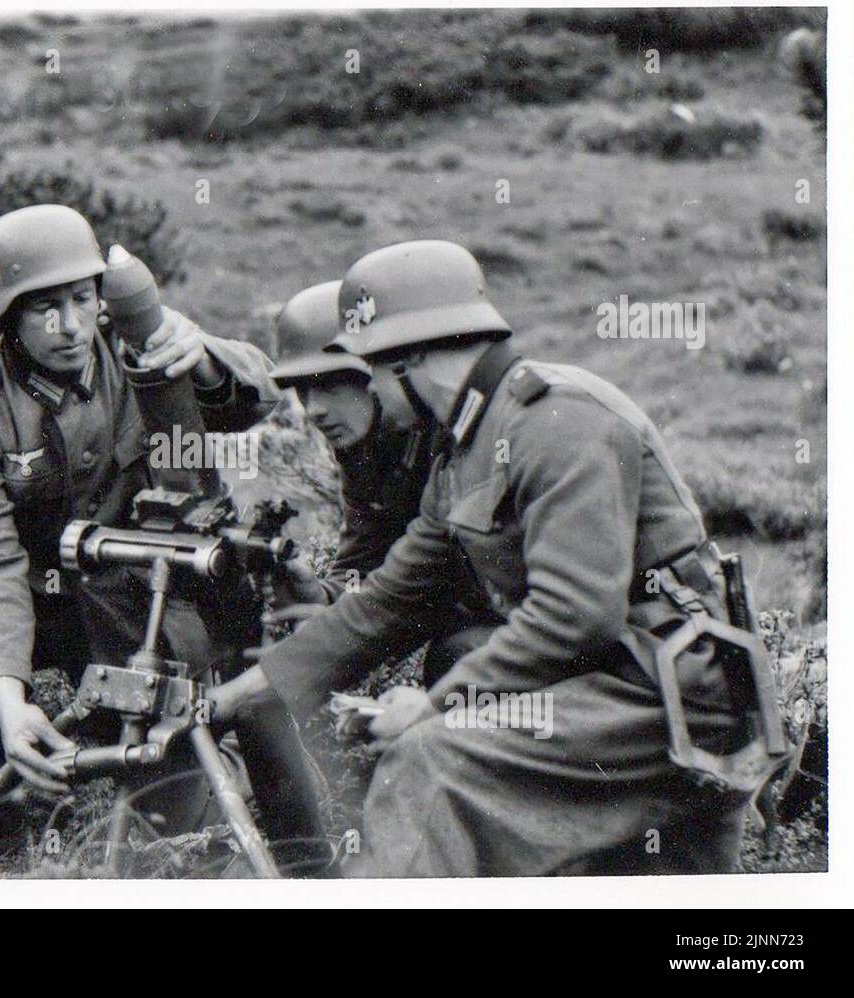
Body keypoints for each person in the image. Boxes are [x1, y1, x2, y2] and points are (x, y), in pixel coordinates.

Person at [210, 239, 758, 876]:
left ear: (407, 359)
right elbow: (392, 597)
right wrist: (258, 687)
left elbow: (575, 615)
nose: (360, 397)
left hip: (666, 691)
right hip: (610, 685)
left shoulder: (556, 420)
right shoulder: (465, 449)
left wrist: (439, 703)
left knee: (428, 762)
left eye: (367, 372)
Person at [0, 204, 325, 864]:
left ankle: (184, 813)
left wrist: (205, 358)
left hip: (152, 593)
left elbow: (258, 391)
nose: (71, 325)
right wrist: (10, 700)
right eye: (45, 307)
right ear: (7, 316)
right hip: (43, 598)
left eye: (82, 298)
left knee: (168, 812)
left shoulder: (140, 344)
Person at [267, 280, 496, 680]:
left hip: (514, 621)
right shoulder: (364, 448)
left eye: (330, 385)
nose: (314, 411)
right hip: (441, 605)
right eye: (302, 392)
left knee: (457, 656)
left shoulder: (451, 435)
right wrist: (323, 596)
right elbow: (367, 557)